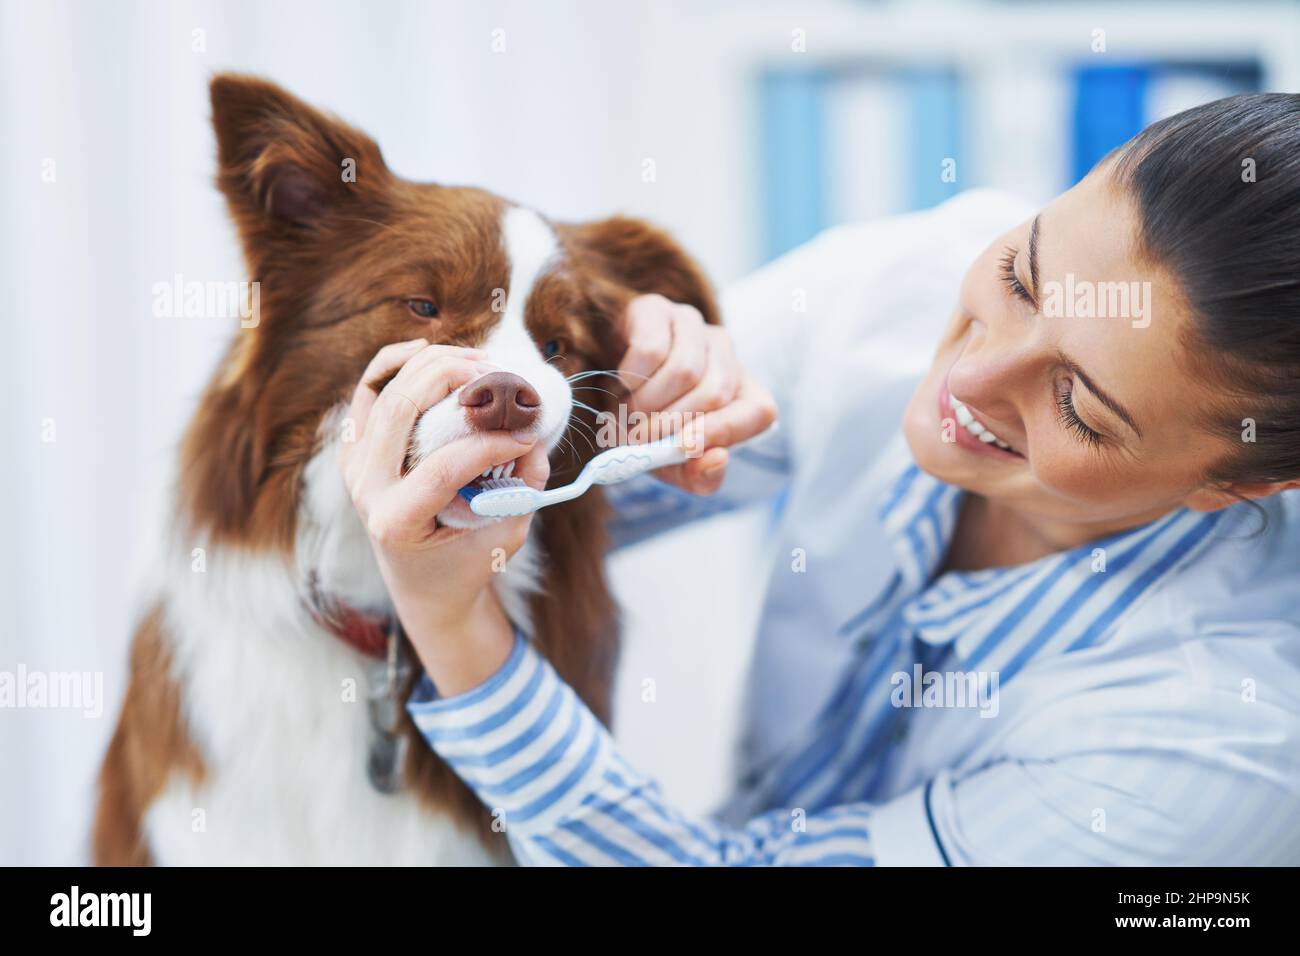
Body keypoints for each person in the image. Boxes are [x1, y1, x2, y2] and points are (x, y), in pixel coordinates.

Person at [340, 93, 1300, 865]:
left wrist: (455, 626)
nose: (966, 380)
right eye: (1018, 276)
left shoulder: (1212, 751)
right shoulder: (902, 286)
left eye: (1080, 407)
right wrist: (595, 384)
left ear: (1241, 484)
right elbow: (522, 520)